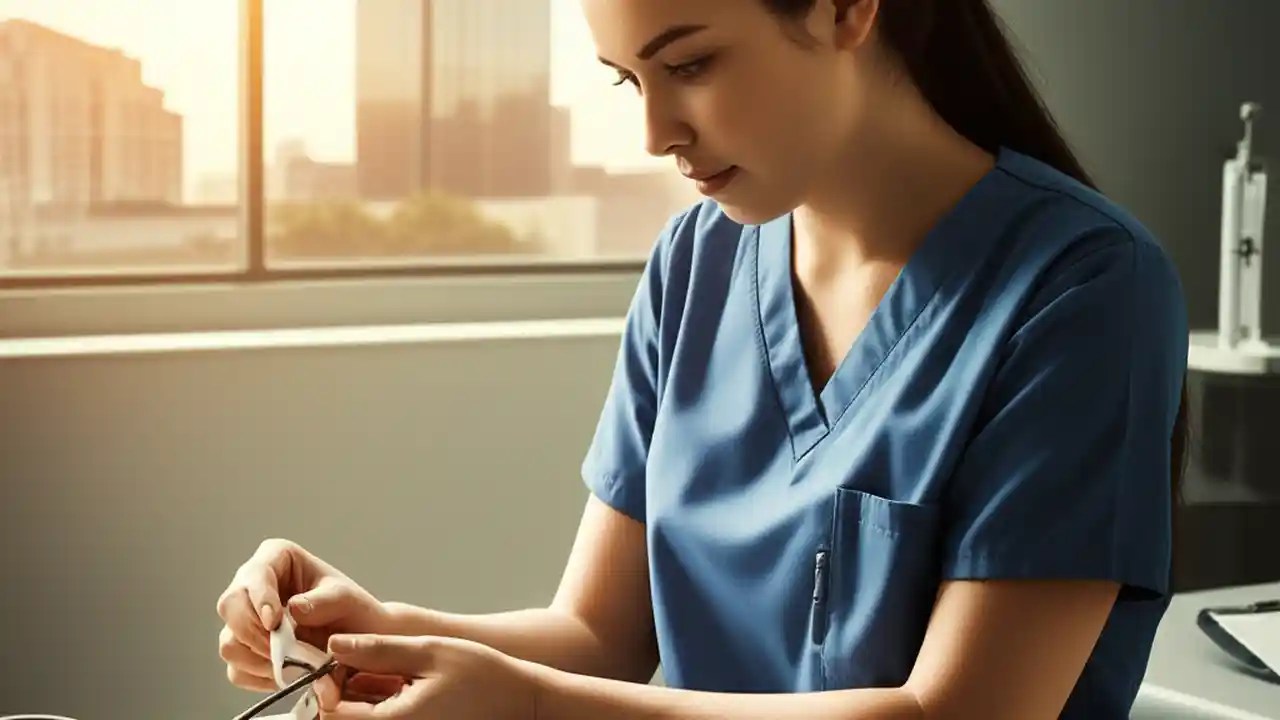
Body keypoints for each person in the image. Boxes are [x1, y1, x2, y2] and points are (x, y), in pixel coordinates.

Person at [216, 1, 1190, 718]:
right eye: (627, 81)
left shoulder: (1082, 292)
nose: (652, 134)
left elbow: (958, 715)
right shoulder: (696, 264)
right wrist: (374, 633)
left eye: (689, 64)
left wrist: (534, 709)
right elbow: (598, 637)